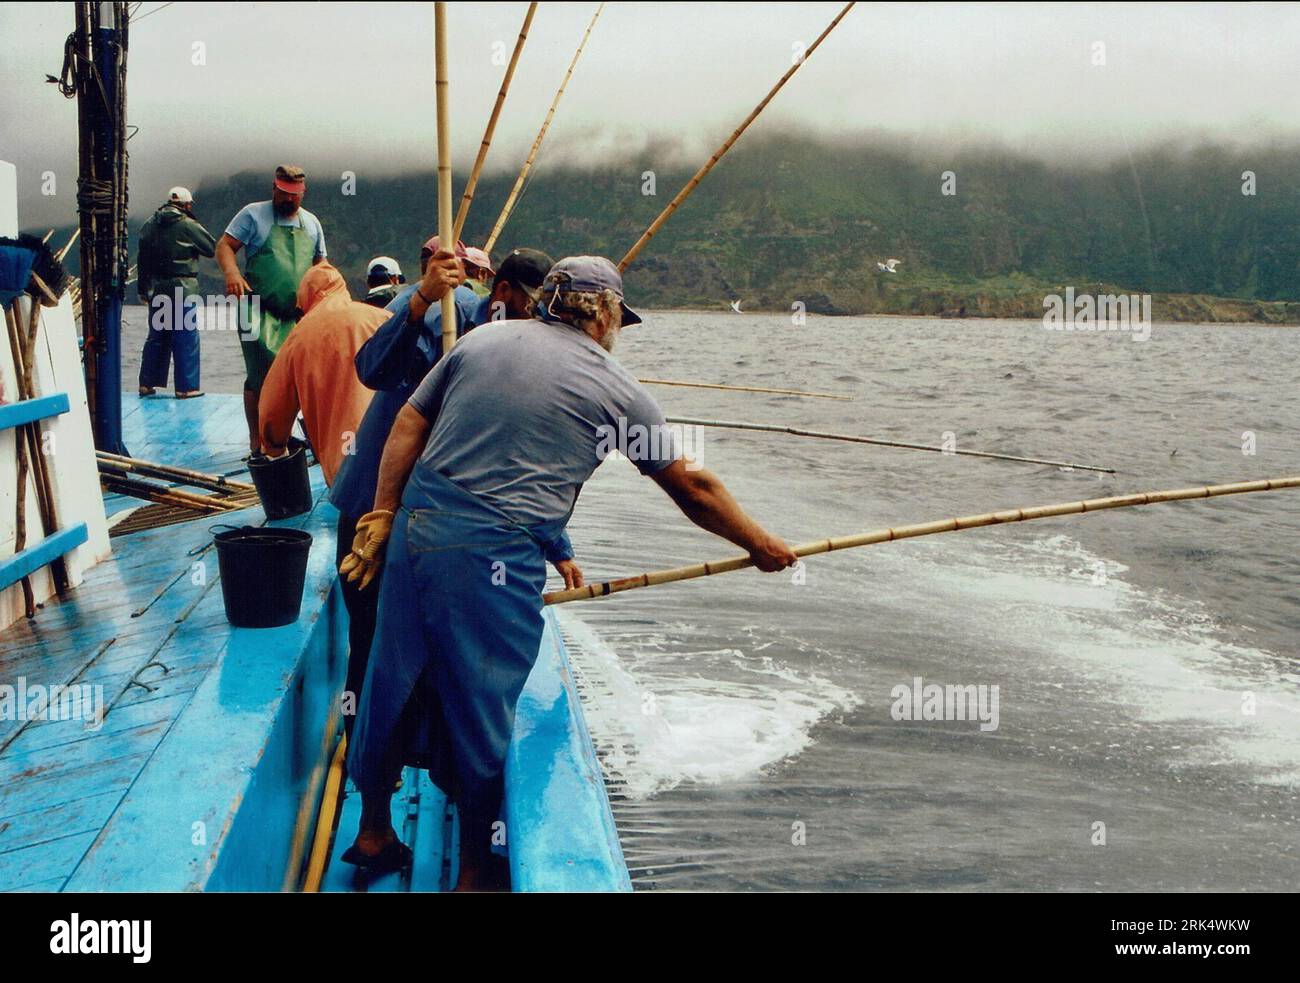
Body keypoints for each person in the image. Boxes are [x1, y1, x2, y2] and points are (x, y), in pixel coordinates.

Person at [340, 256, 797, 889]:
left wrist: (383, 511)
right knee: (484, 707)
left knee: (390, 680)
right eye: (620, 320)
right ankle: (473, 869)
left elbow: (414, 420)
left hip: (415, 532)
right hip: (492, 559)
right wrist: (759, 543)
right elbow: (691, 485)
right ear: (606, 314)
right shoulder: (616, 387)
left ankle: (372, 829)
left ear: (549, 301)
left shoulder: (483, 340)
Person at [329, 240, 571, 743]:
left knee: (431, 634)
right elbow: (372, 369)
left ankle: (422, 745)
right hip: (376, 504)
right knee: (372, 631)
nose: (540, 318)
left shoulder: (523, 349)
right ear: (503, 290)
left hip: (439, 518)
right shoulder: (442, 307)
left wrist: (557, 545)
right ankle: (363, 748)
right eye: (532, 304)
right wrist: (420, 299)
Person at [215, 164, 327, 450]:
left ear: (303, 193)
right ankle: (257, 440)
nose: (289, 200)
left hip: (296, 311)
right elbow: (225, 246)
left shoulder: (312, 223)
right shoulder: (252, 214)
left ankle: (284, 434)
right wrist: (232, 274)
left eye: (295, 195)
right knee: (260, 373)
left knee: (298, 374)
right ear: (274, 189)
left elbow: (321, 264)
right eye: (284, 193)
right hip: (255, 306)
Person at [257, 263, 389, 485]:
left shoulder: (299, 337)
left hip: (346, 458)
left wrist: (274, 446)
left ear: (305, 299)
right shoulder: (383, 318)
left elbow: (273, 409)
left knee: (355, 512)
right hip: (394, 447)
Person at [136, 187, 216, 398]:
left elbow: (142, 260)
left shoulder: (149, 225)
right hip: (184, 287)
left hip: (158, 288)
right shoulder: (188, 225)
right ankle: (186, 388)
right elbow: (210, 248)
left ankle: (146, 384)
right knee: (185, 337)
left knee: (157, 336)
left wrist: (143, 290)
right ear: (187, 204)